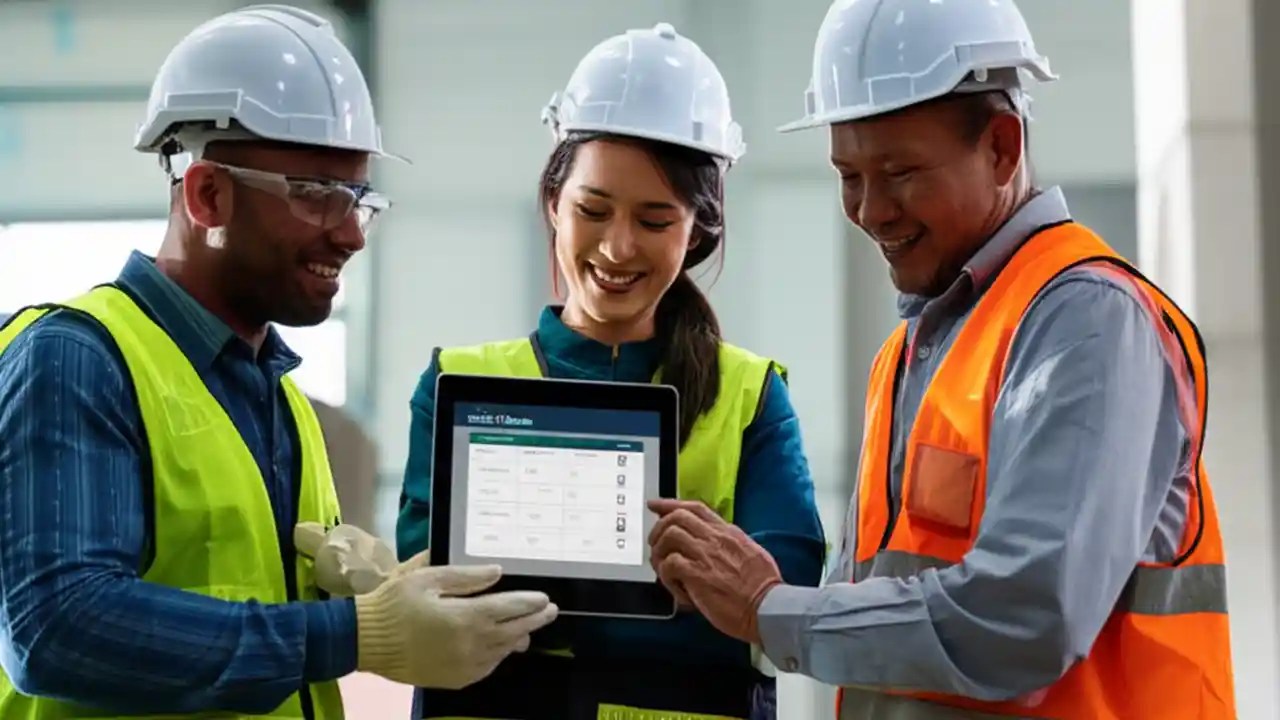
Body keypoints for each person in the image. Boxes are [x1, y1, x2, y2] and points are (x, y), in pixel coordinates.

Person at [646, 0, 1237, 718]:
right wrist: (767, 595)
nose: (870, 210)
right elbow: (899, 613)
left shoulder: (1087, 323)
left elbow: (1020, 621)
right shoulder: (910, 351)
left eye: (899, 172)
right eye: (849, 176)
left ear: (1002, 146)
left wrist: (774, 610)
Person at [0, 6, 555, 718]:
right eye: (319, 195)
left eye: (360, 197)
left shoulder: (278, 394)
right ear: (207, 195)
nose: (353, 233)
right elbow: (57, 628)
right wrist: (352, 631)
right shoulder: (77, 359)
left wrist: (350, 585)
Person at [395, 22, 827, 720]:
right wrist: (667, 588)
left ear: (698, 232)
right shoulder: (457, 381)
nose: (618, 246)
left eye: (656, 221)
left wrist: (546, 589)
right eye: (593, 211)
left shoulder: (750, 396)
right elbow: (431, 585)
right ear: (552, 205)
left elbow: (783, 594)